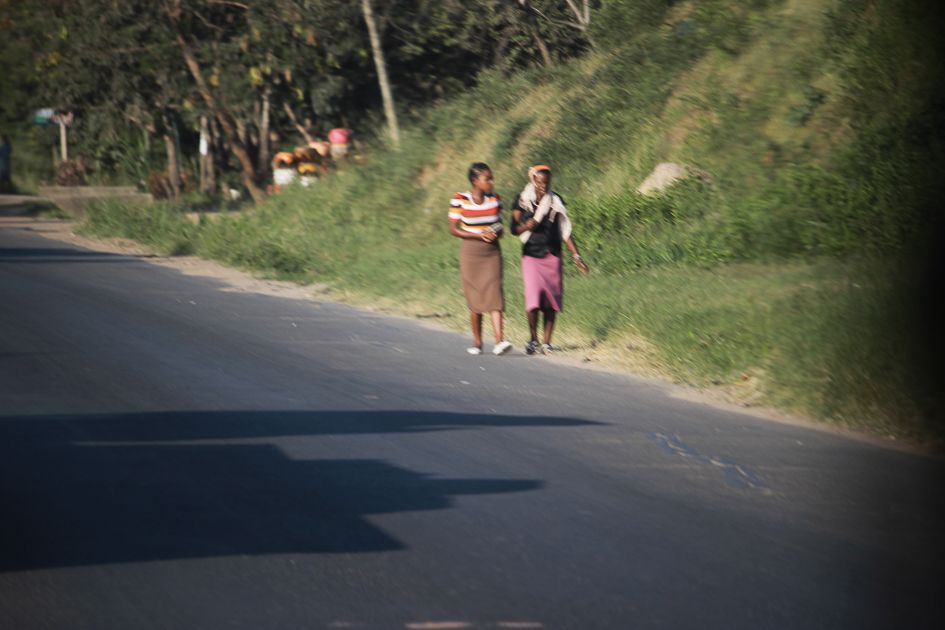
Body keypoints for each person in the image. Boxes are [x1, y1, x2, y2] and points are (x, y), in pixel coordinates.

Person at [511, 165, 589, 355]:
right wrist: (526, 226)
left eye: (547, 183)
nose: (543, 187)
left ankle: (547, 342)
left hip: (552, 254)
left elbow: (565, 231)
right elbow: (513, 228)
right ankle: (533, 339)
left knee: (551, 301)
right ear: (533, 181)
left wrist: (576, 255)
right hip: (531, 254)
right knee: (533, 298)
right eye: (540, 183)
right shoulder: (522, 200)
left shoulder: (556, 200)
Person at [449, 162, 512, 356]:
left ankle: (499, 341)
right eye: (488, 179)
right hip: (470, 253)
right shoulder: (459, 199)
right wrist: (478, 236)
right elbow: (454, 229)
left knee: (495, 293)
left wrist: (495, 233)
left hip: (492, 252)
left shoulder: (495, 199)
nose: (492, 182)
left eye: (492, 178)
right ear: (475, 181)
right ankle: (477, 342)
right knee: (474, 297)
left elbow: (500, 226)